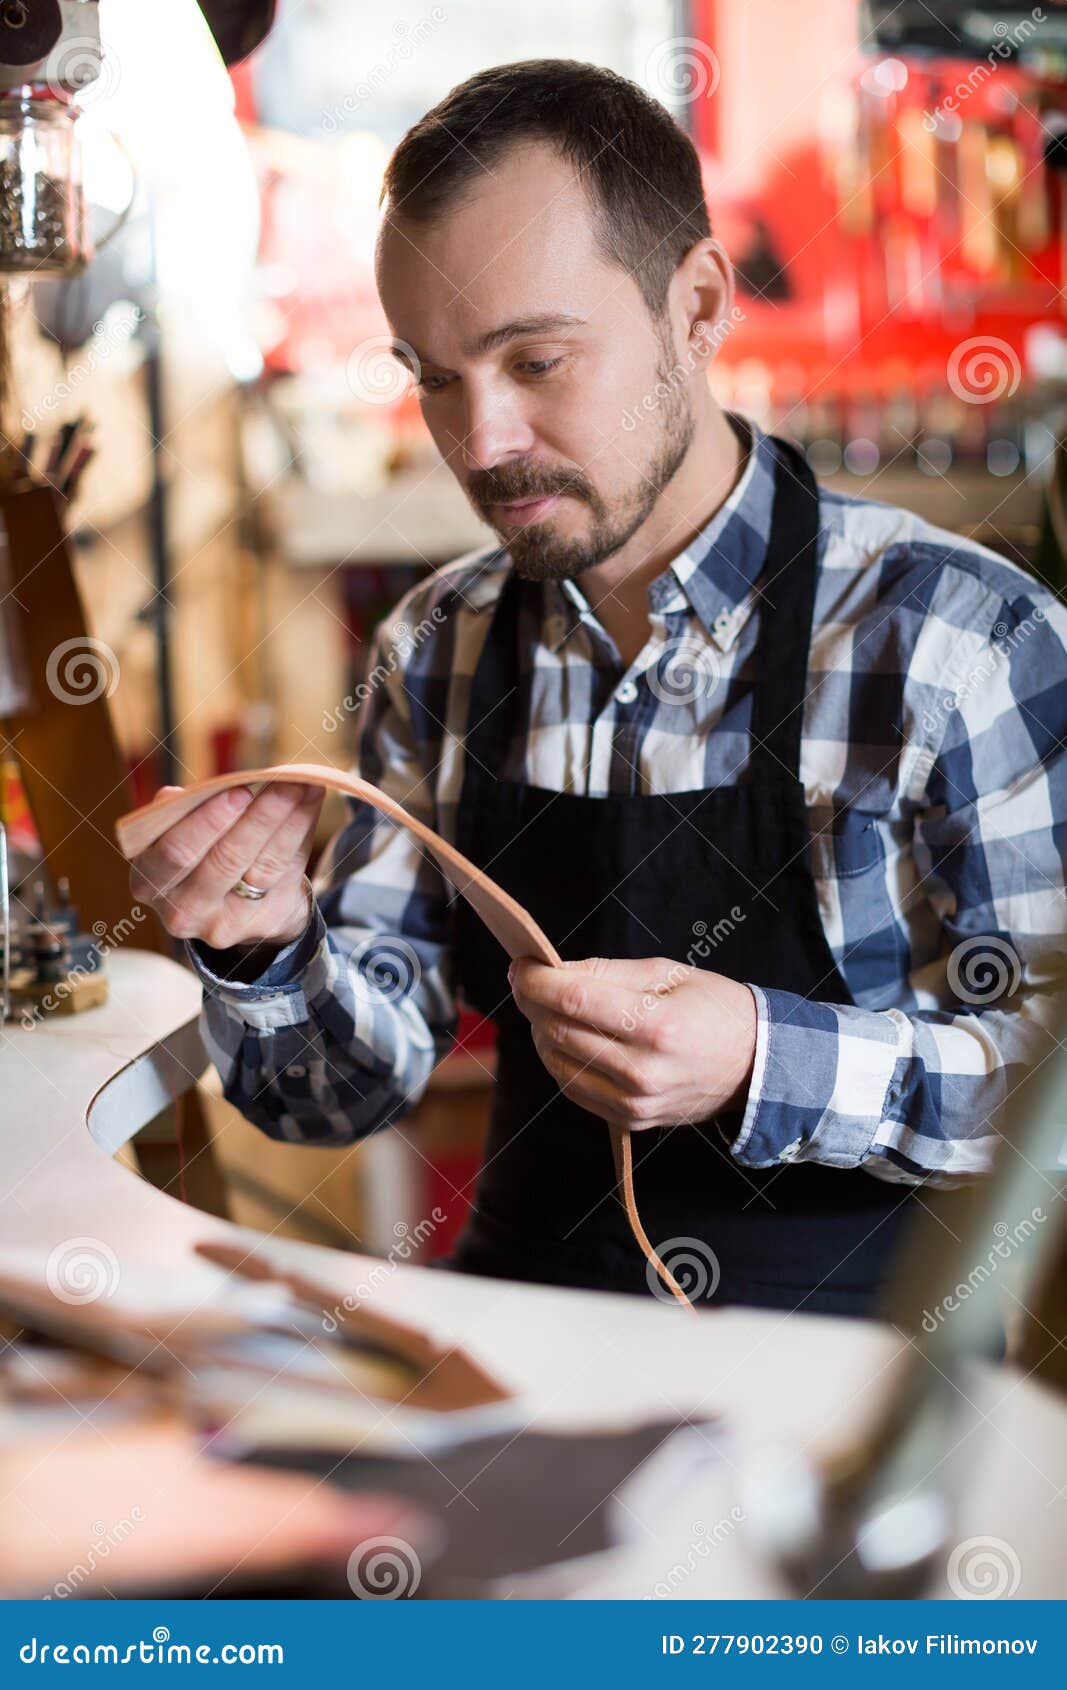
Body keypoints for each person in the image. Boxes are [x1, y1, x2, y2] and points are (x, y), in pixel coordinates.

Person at [127, 60, 1067, 1316]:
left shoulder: (958, 641)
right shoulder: (440, 645)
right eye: (434, 376)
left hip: (851, 1359)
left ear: (697, 307)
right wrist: (261, 944)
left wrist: (763, 1056)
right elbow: (340, 1095)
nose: (480, 443)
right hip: (527, 1322)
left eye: (535, 360)